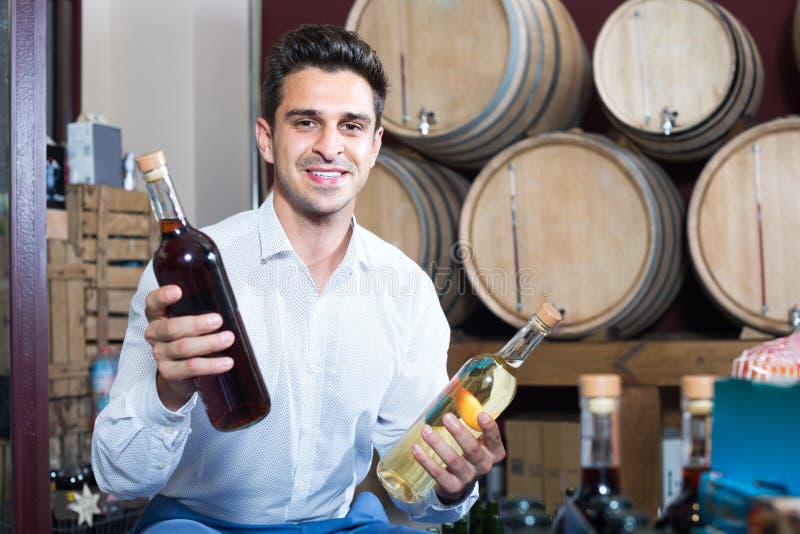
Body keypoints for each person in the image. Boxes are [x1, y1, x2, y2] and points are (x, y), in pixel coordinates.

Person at [91, 24, 505, 533]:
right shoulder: (185, 275)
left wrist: (452, 481)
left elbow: (419, 485)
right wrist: (168, 391)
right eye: (306, 121)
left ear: (375, 145)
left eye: (351, 126)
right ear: (267, 139)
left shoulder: (406, 288)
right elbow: (118, 474)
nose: (329, 146)